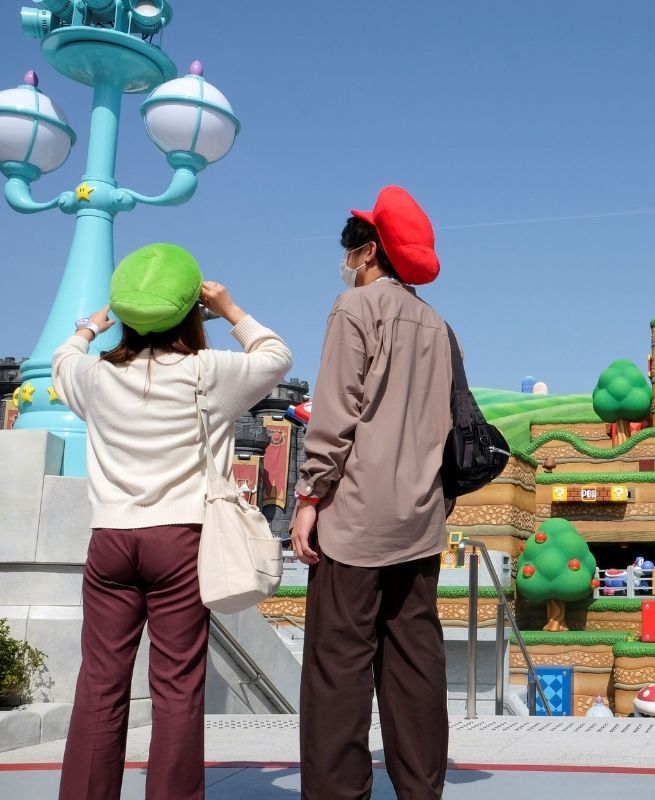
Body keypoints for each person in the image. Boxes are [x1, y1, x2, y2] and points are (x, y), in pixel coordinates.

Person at [52, 243, 292, 800]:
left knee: (100, 683)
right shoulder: (208, 372)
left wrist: (90, 328)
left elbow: (63, 360)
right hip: (181, 539)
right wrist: (231, 310)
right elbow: (276, 354)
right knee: (177, 688)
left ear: (127, 315)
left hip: (110, 539)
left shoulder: (94, 377)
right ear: (190, 312)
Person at [291, 185, 453, 800]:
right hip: (419, 520)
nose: (346, 265)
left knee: (339, 670)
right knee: (415, 668)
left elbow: (335, 417)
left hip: (353, 518)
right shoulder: (438, 326)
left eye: (350, 253)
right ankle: (420, 791)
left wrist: (309, 499)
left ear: (368, 252)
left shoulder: (352, 310)